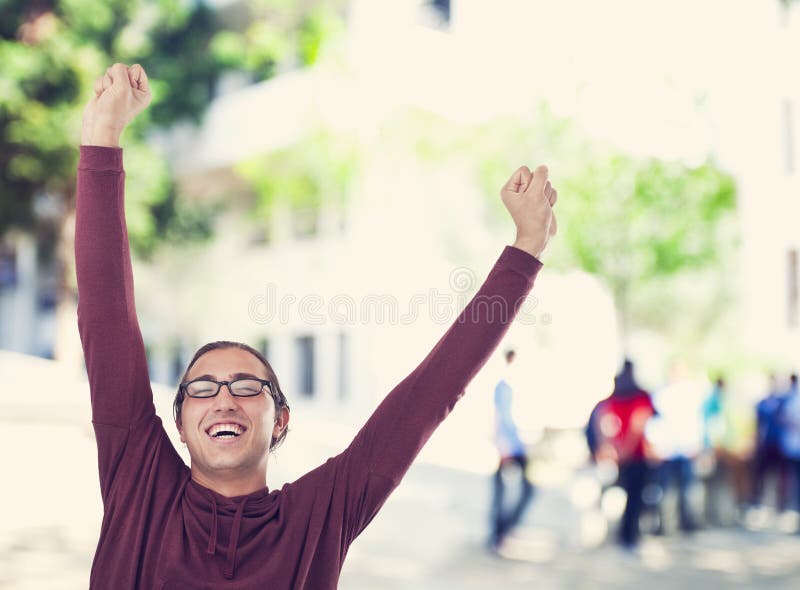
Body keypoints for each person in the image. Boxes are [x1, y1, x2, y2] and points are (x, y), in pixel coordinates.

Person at [76, 63, 559, 588]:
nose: (224, 398)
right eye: (202, 388)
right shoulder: (140, 484)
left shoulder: (318, 516)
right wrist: (103, 137)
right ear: (179, 422)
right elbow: (106, 316)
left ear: (280, 420)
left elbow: (430, 393)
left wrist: (525, 249)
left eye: (246, 386)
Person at [594, 359, 655, 550]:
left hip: (624, 457)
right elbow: (637, 425)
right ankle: (628, 537)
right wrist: (620, 450)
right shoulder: (639, 396)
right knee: (634, 499)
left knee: (632, 498)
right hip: (631, 458)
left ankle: (627, 535)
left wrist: (614, 448)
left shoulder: (621, 398)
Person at [489, 349, 535, 552]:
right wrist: (502, 445)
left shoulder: (518, 387)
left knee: (527, 490)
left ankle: (505, 529)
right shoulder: (502, 387)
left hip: (520, 445)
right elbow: (499, 417)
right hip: (508, 446)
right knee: (501, 491)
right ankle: (498, 534)